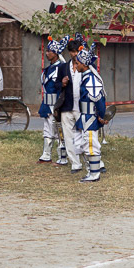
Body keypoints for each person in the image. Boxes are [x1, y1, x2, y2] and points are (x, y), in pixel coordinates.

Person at [72, 44, 106, 183]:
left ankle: (95, 174)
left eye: (77, 63)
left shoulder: (91, 79)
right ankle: (91, 171)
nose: (75, 65)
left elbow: (100, 101)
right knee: (82, 144)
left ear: (84, 64)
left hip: (90, 117)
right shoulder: (86, 77)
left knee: (91, 144)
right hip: (84, 116)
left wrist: (102, 116)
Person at [38, 36, 69, 164]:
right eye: (46, 51)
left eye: (49, 51)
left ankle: (62, 156)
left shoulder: (62, 67)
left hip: (57, 103)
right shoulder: (47, 69)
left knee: (59, 130)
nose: (46, 53)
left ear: (55, 53)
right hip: (47, 102)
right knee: (47, 129)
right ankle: (46, 155)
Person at [55, 35, 83, 173]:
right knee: (68, 136)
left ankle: (93, 161)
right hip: (67, 106)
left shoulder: (86, 66)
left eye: (77, 51)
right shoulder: (63, 67)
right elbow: (55, 86)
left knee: (86, 134)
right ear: (69, 52)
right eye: (72, 51)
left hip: (82, 106)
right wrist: (62, 83)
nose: (74, 54)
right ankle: (75, 164)